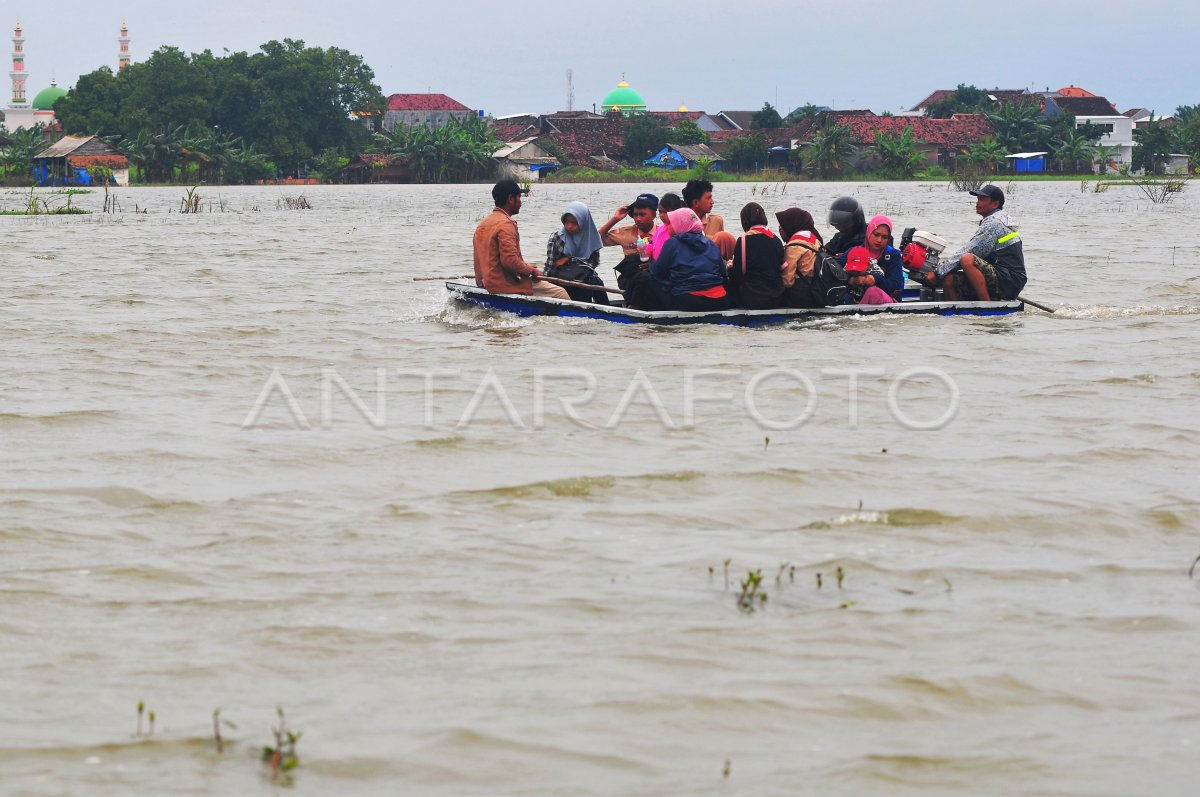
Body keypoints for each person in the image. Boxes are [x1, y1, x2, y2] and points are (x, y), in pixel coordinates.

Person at [920, 185, 1027, 301]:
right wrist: (943, 273)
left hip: (1009, 280)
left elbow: (971, 250)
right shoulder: (999, 219)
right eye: (978, 199)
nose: (977, 203)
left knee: (967, 259)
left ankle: (986, 307)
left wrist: (937, 273)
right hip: (1001, 275)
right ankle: (956, 313)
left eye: (982, 200)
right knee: (949, 279)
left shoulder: (994, 224)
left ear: (995, 204)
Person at [473, 180, 570, 300]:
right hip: (505, 286)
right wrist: (533, 272)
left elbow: (482, 261)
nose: (520, 202)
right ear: (510, 199)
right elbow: (510, 261)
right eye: (519, 197)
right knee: (560, 293)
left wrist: (527, 267)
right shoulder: (506, 224)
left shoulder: (482, 225)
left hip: (487, 284)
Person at [650, 208, 730, 312]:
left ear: (680, 225)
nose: (667, 227)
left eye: (670, 223)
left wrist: (651, 262)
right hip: (719, 300)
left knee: (647, 280)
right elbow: (723, 273)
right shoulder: (711, 244)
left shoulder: (672, 243)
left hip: (688, 301)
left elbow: (657, 272)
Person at [545, 201, 608, 303]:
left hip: (582, 278)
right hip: (561, 279)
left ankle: (606, 313)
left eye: (574, 223)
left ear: (584, 222)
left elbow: (592, 265)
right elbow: (551, 265)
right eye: (567, 222)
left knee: (596, 283)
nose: (569, 226)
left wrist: (569, 259)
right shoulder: (557, 237)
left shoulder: (591, 238)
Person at [728, 202, 786, 309]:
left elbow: (738, 275)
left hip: (752, 298)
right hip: (776, 298)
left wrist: (730, 268)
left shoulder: (743, 240)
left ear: (744, 220)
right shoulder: (776, 240)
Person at [598, 193, 658, 292]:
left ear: (654, 215)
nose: (638, 219)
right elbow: (597, 240)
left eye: (642, 214)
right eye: (635, 214)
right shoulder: (626, 232)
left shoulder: (661, 234)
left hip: (654, 280)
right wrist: (615, 219)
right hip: (631, 281)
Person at [776, 207, 823, 308]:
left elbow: (787, 281)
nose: (780, 228)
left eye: (783, 225)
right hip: (817, 291)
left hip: (801, 296)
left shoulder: (794, 245)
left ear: (792, 224)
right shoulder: (815, 239)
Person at [682, 178, 736, 262]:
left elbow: (723, 254)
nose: (712, 202)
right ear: (696, 203)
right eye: (708, 198)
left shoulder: (717, 221)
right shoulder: (680, 223)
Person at [862, 214, 905, 300]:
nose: (879, 240)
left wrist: (876, 279)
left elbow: (895, 285)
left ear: (889, 239)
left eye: (884, 237)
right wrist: (853, 280)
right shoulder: (855, 251)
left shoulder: (894, 256)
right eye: (876, 234)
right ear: (869, 232)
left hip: (887, 298)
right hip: (857, 296)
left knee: (873, 292)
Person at [647, 192, 684, 260]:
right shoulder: (660, 230)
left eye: (665, 212)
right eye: (660, 212)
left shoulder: (680, 230)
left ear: (676, 211)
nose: (662, 215)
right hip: (657, 265)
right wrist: (646, 248)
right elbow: (654, 245)